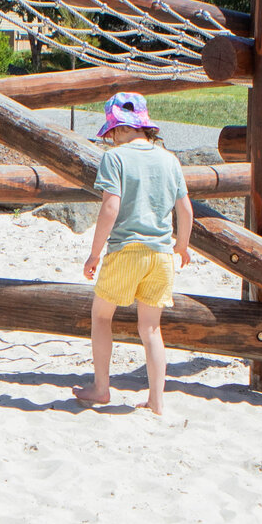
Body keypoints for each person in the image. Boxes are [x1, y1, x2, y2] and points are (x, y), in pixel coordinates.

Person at [73, 92, 196, 412]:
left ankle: (101, 388)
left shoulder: (116, 158)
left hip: (126, 251)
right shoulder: (170, 160)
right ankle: (156, 400)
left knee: (101, 316)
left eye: (112, 132)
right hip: (161, 255)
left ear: (122, 129)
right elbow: (185, 209)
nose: (111, 138)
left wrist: (94, 253)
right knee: (151, 329)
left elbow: (110, 207)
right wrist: (181, 245)